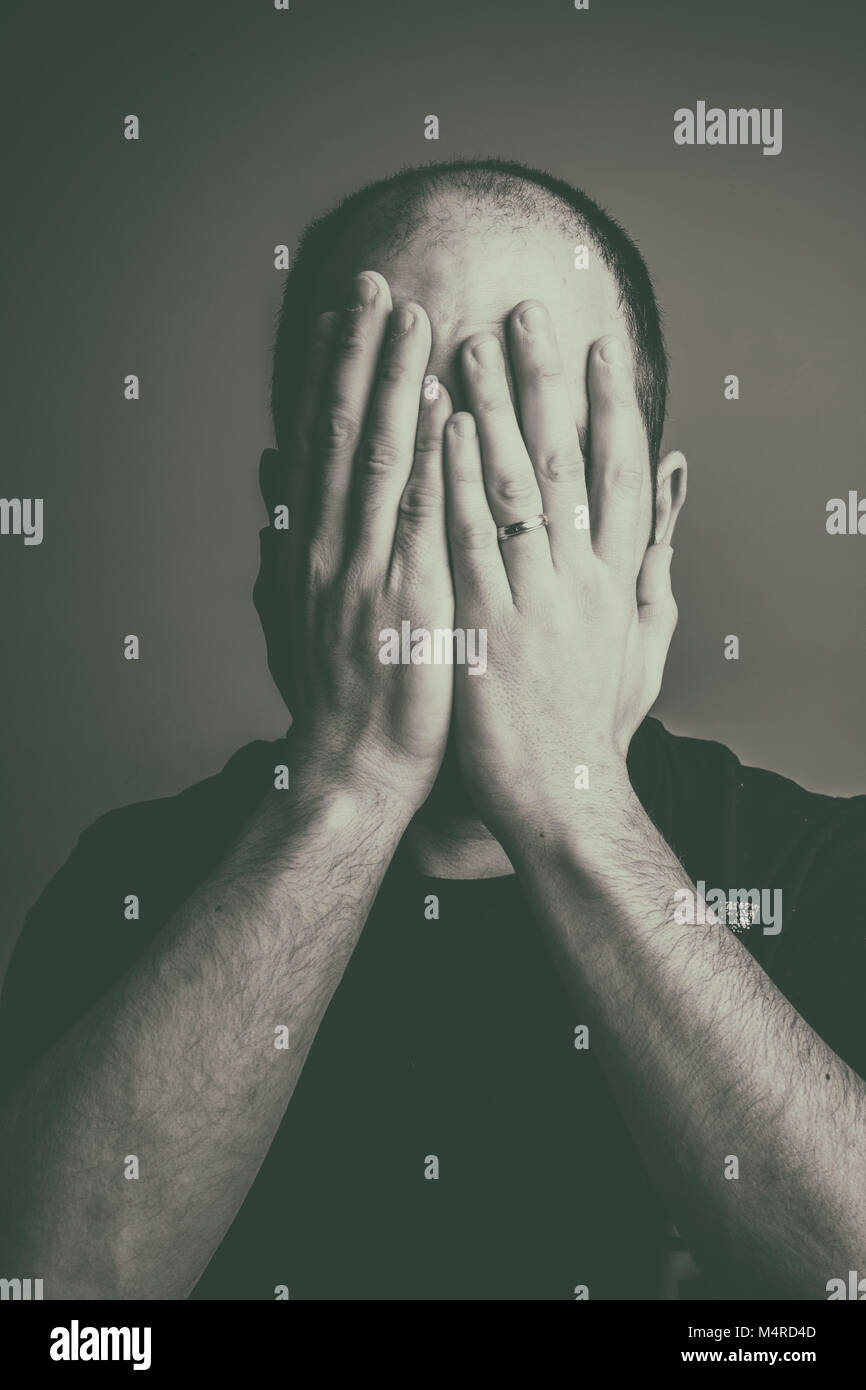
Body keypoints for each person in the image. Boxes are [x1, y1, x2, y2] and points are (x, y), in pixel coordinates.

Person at [1, 159, 864, 1302]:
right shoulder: (135, 887)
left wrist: (572, 803)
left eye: (523, 477)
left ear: (652, 527)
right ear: (286, 534)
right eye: (393, 465)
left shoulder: (816, 876)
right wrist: (347, 787)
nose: (460, 535)